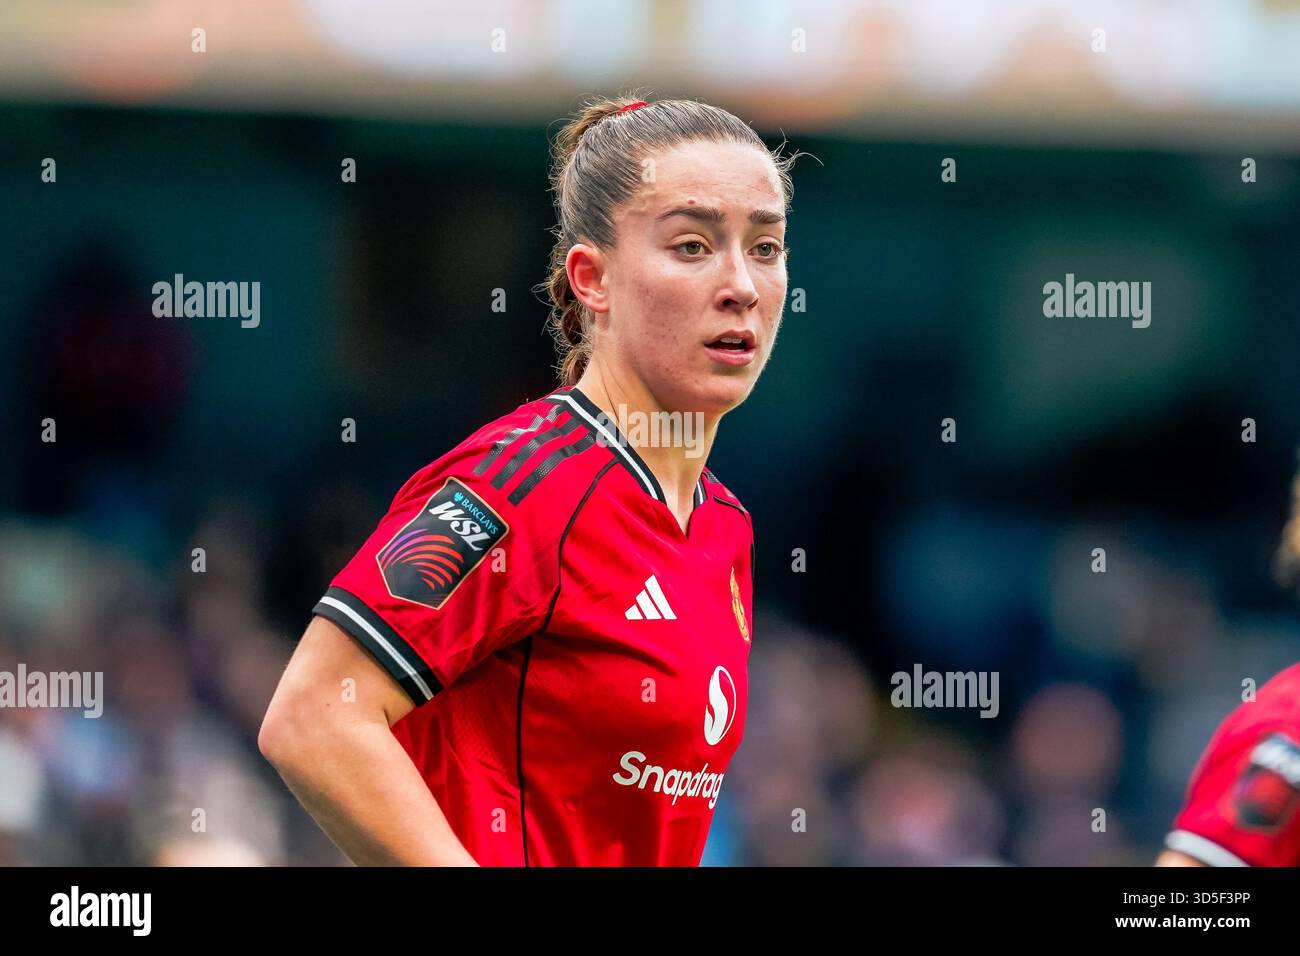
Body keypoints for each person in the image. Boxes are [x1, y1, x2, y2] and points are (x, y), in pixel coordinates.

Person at [258, 94, 797, 865]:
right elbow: (314, 717)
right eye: (691, 245)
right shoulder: (521, 485)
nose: (741, 284)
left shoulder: (725, 525)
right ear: (592, 279)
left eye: (766, 247)